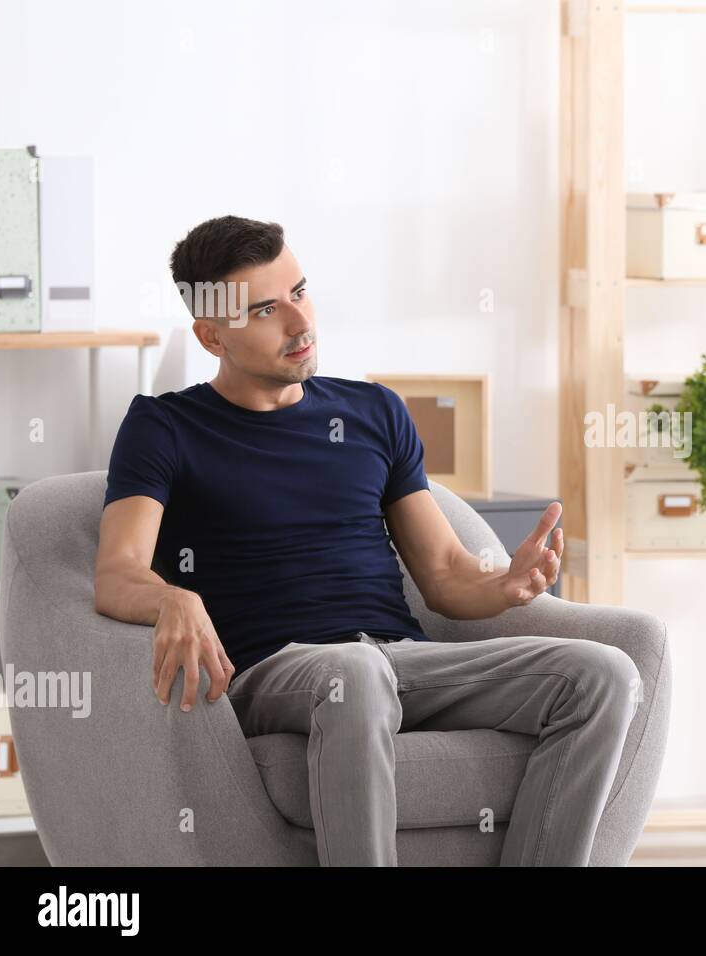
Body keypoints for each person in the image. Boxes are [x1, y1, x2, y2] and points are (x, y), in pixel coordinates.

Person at [94, 215, 640, 866]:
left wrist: (504, 586)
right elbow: (117, 572)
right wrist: (171, 600)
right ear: (212, 335)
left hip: (399, 661)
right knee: (354, 675)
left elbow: (443, 573)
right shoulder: (164, 427)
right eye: (266, 309)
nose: (300, 324)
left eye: (300, 292)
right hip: (278, 671)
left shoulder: (374, 411)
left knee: (604, 673)